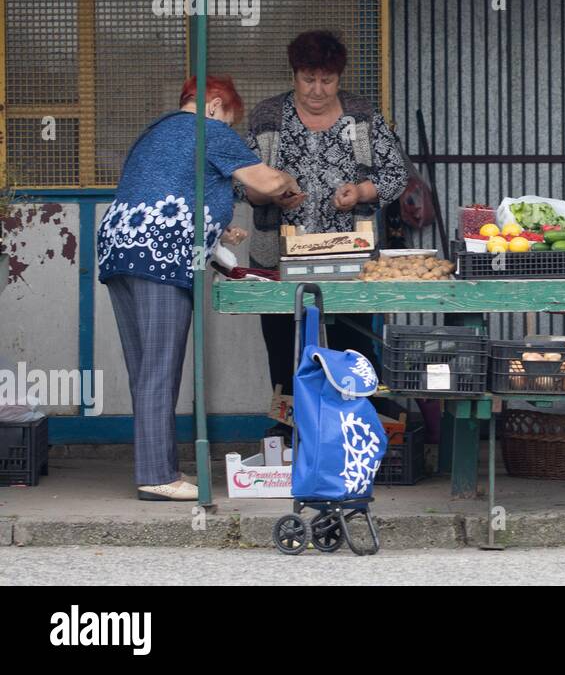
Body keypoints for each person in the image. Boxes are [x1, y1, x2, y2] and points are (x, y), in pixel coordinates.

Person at [97, 76, 301, 501]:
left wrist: (217, 229)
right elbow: (264, 183)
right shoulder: (209, 129)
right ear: (213, 106)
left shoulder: (156, 131)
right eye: (230, 117)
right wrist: (289, 183)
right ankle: (156, 476)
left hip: (121, 248)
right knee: (161, 366)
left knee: (145, 369)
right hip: (158, 255)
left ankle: (154, 467)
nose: (230, 127)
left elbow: (169, 190)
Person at [240, 31, 409, 401]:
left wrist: (362, 191)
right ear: (294, 75)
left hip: (352, 259)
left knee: (356, 349)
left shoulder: (362, 116)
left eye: (327, 80)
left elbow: (396, 174)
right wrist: (270, 191)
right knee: (285, 352)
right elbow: (241, 180)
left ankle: (359, 430)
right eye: (308, 78)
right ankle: (290, 435)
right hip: (279, 261)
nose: (317, 89)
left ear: (339, 79)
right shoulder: (268, 116)